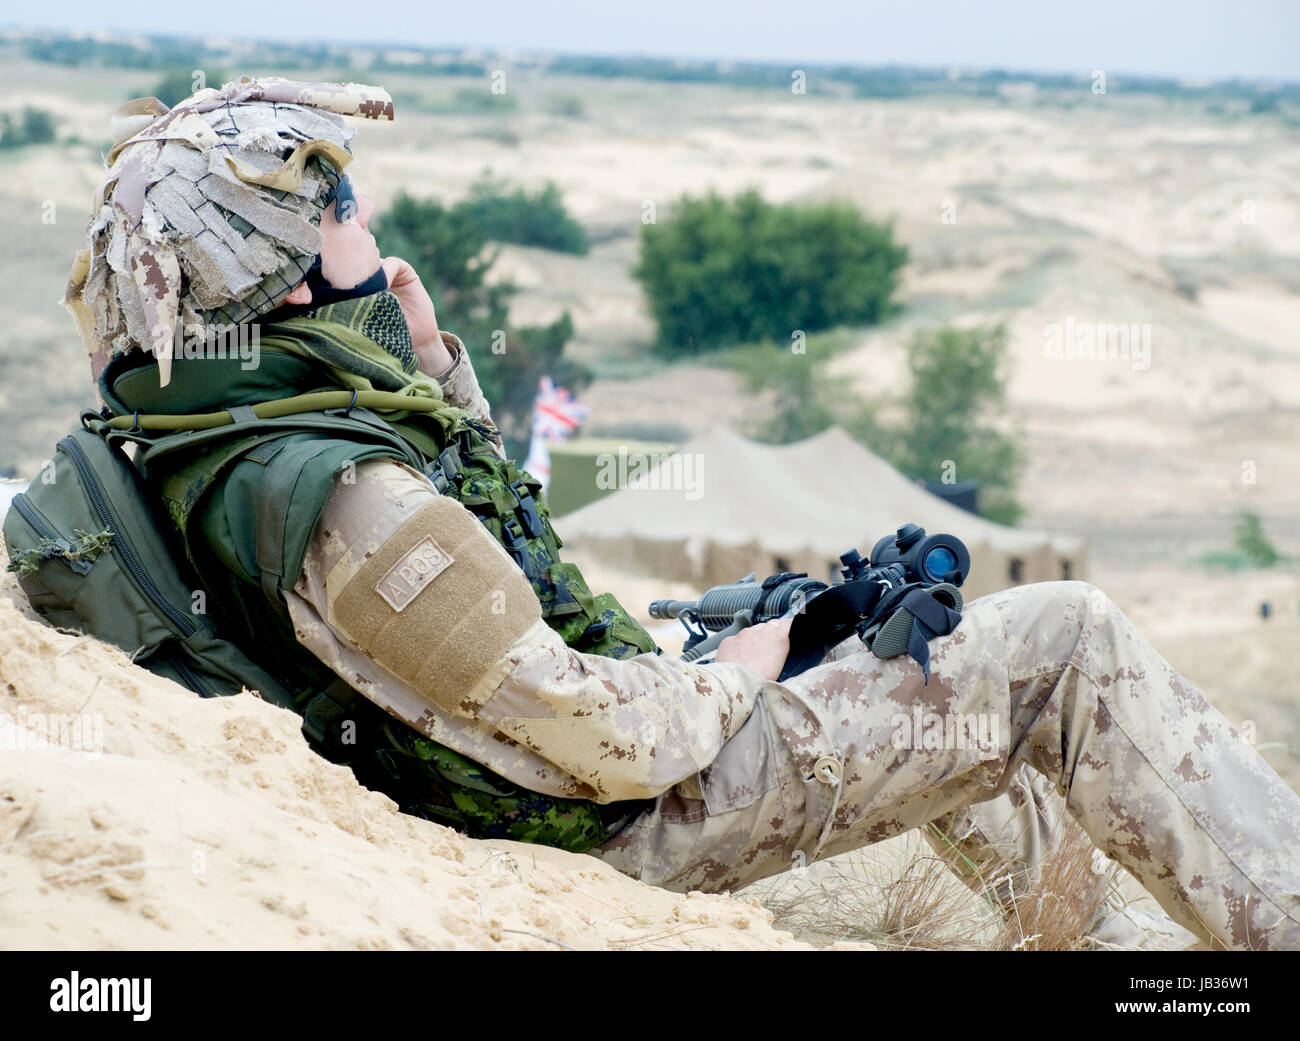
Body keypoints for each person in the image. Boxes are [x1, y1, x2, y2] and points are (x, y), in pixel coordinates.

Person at [65, 76, 1299, 951]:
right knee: (1064, 642)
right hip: (616, 828)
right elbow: (604, 742)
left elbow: (497, 579)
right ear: (283, 267)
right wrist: (743, 671)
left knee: (926, 674)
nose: (372, 230)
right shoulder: (349, 498)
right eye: (345, 214)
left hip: (540, 782)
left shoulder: (215, 428)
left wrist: (431, 367)